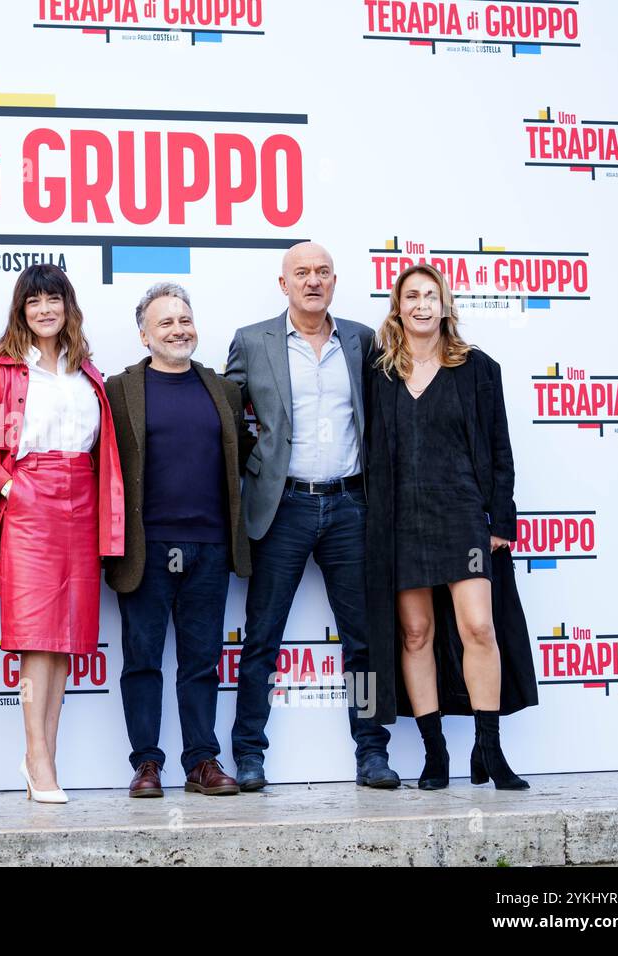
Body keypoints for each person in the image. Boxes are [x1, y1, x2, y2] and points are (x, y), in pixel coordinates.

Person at [225, 241, 400, 791]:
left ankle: (372, 751)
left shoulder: (362, 340)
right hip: (284, 507)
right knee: (262, 639)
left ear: (334, 281)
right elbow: (227, 419)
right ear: (283, 284)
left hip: (351, 506)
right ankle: (249, 753)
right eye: (301, 273)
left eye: (322, 272)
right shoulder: (253, 342)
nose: (312, 281)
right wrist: (255, 460)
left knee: (364, 641)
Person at [0, 264, 124, 804]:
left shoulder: (87, 372)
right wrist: (11, 492)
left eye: (54, 300)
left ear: (68, 307)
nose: (45, 310)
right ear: (20, 310)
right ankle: (37, 757)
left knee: (68, 638)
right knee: (34, 637)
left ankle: (44, 759)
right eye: (34, 302)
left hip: (84, 502)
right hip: (29, 503)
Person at [364, 263, 538, 790]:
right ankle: (434, 753)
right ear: (398, 307)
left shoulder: (479, 369)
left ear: (446, 304)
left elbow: (501, 450)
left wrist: (501, 519)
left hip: (463, 517)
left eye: (430, 295)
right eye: (411, 296)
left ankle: (490, 751)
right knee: (415, 634)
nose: (421, 305)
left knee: (479, 628)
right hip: (399, 522)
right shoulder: (379, 372)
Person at [105, 283, 252, 799]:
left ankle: (202, 762)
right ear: (144, 335)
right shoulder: (118, 389)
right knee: (142, 661)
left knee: (201, 662)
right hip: (144, 549)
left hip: (210, 547)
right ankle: (146, 763)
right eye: (165, 322)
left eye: (184, 319)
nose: (178, 329)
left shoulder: (223, 390)